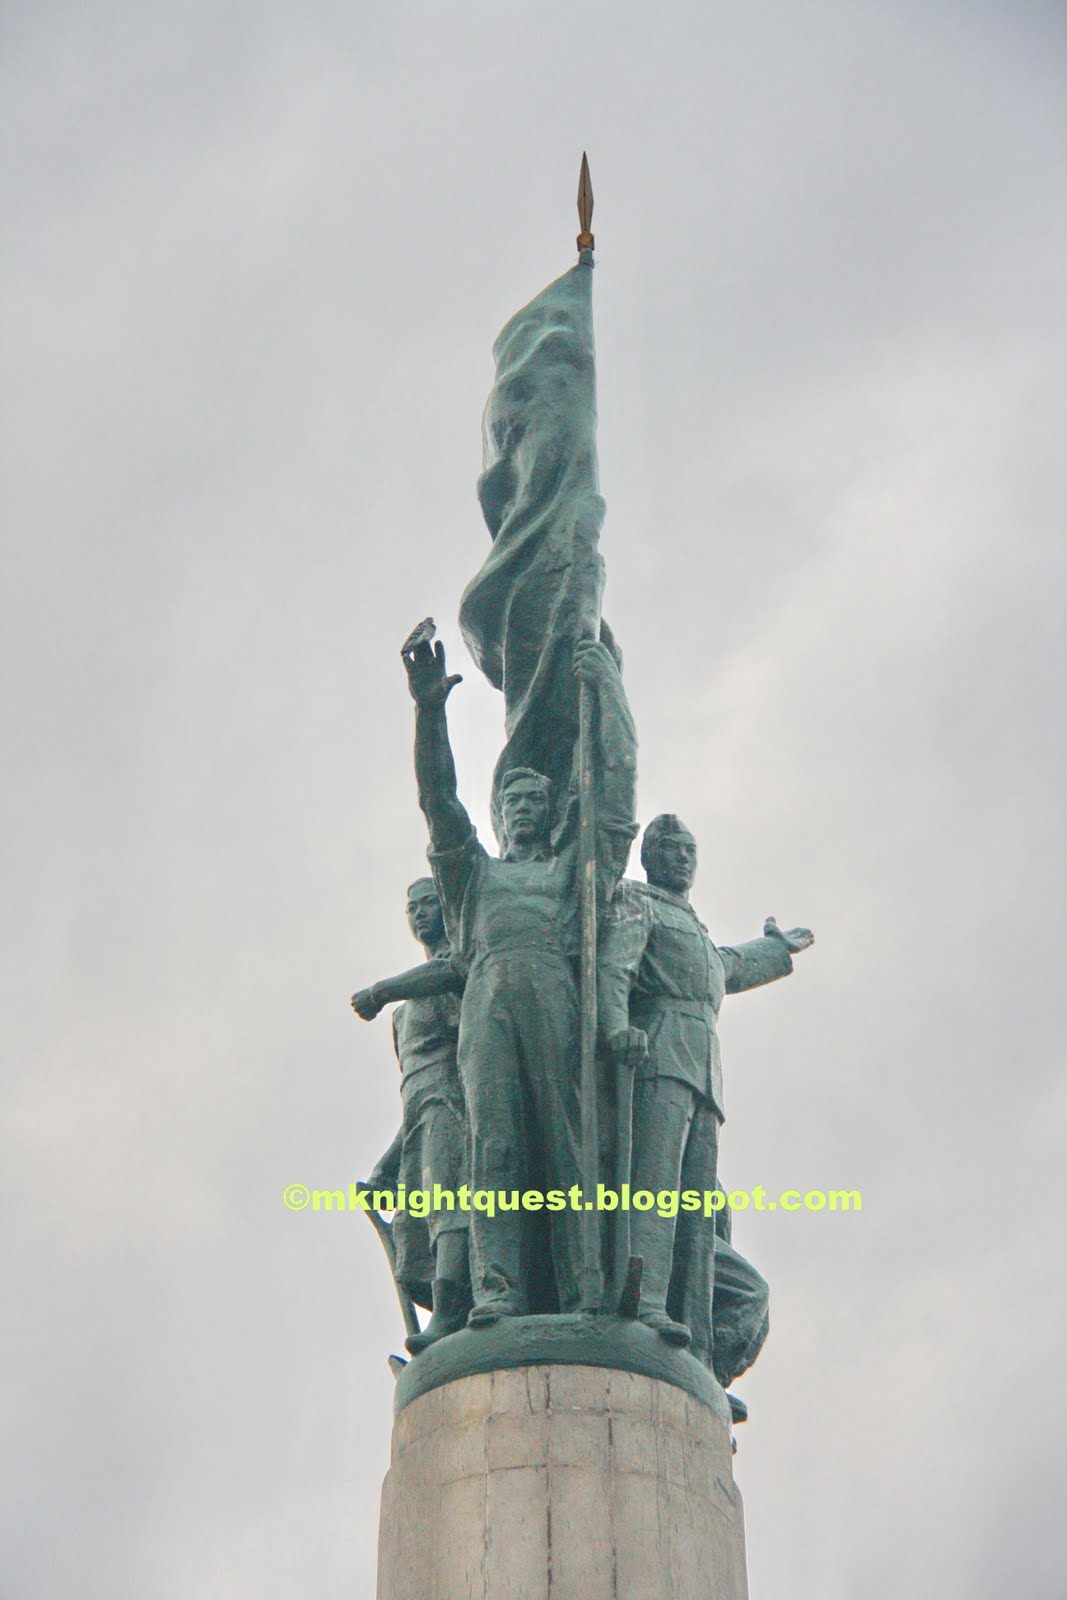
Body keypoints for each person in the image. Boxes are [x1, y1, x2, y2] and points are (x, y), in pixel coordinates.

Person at [402, 626, 637, 1324]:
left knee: (566, 1143)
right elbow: (437, 802)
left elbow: (615, 798)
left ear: (550, 813)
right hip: (486, 1004)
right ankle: (497, 1288)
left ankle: (578, 1291)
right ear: (501, 817)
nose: (527, 811)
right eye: (514, 804)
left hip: (554, 997)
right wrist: (427, 712)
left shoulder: (572, 873)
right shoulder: (472, 878)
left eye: (537, 802)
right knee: (494, 1145)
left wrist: (609, 695)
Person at [598, 813, 813, 1351]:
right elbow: (615, 969)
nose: (684, 858)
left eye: (690, 850)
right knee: (656, 1188)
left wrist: (777, 950)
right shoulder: (636, 902)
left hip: (702, 1071)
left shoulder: (692, 924)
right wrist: (618, 1027)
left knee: (696, 1208)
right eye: (673, 849)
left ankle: (694, 1339)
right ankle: (645, 1301)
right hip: (658, 1054)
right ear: (651, 857)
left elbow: (725, 967)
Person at [351, 877, 469, 1354]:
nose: (420, 914)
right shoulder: (402, 1015)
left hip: (455, 1102)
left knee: (450, 1206)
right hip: (424, 1109)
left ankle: (451, 1307)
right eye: (412, 907)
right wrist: (386, 1166)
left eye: (430, 903)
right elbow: (413, 1101)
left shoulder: (450, 977)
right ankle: (445, 1312)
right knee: (417, 1216)